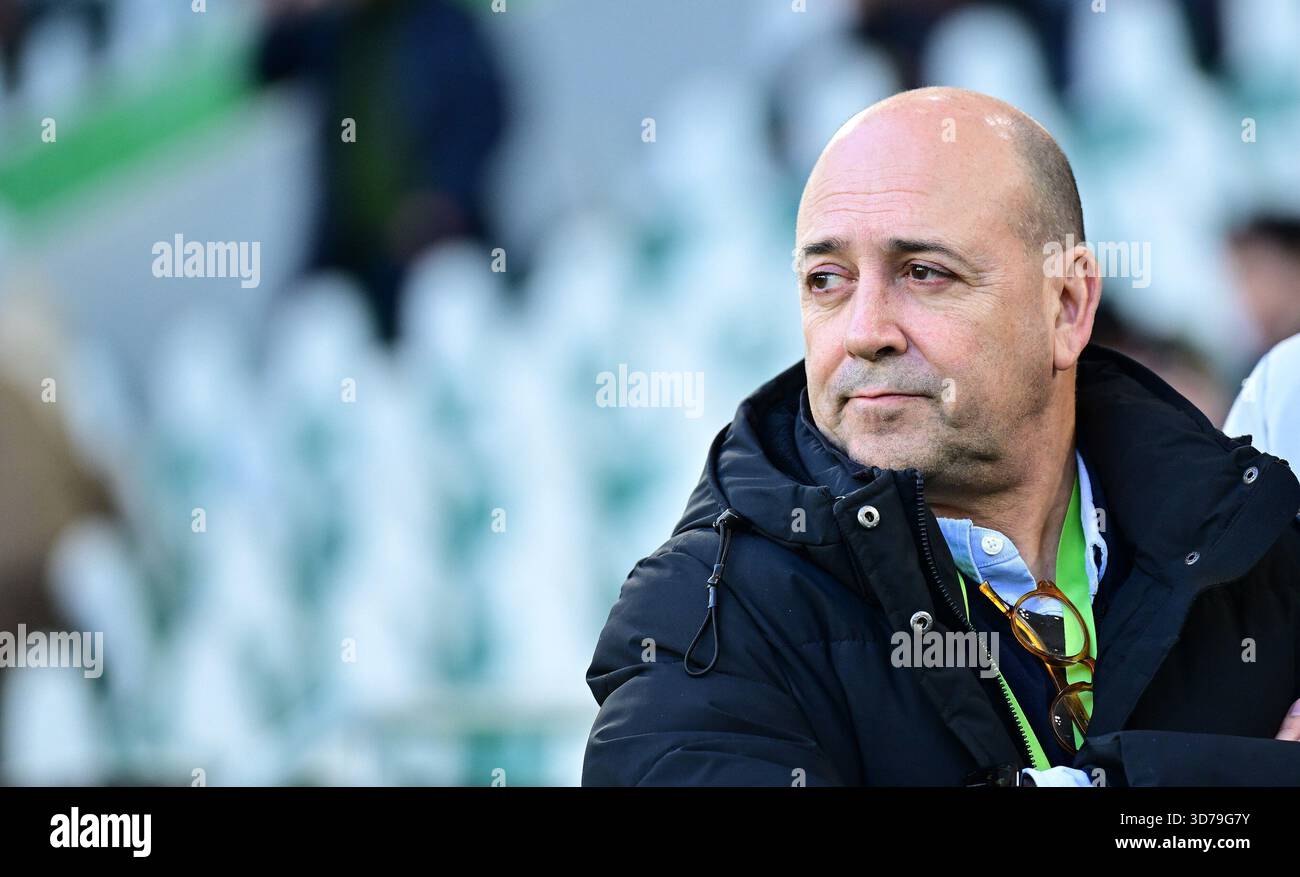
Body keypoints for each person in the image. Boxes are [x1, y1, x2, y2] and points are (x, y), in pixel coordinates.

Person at [582, 87, 1300, 787]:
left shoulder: (1253, 544)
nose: (865, 332)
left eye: (924, 273)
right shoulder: (700, 613)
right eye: (827, 280)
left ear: (1068, 305)